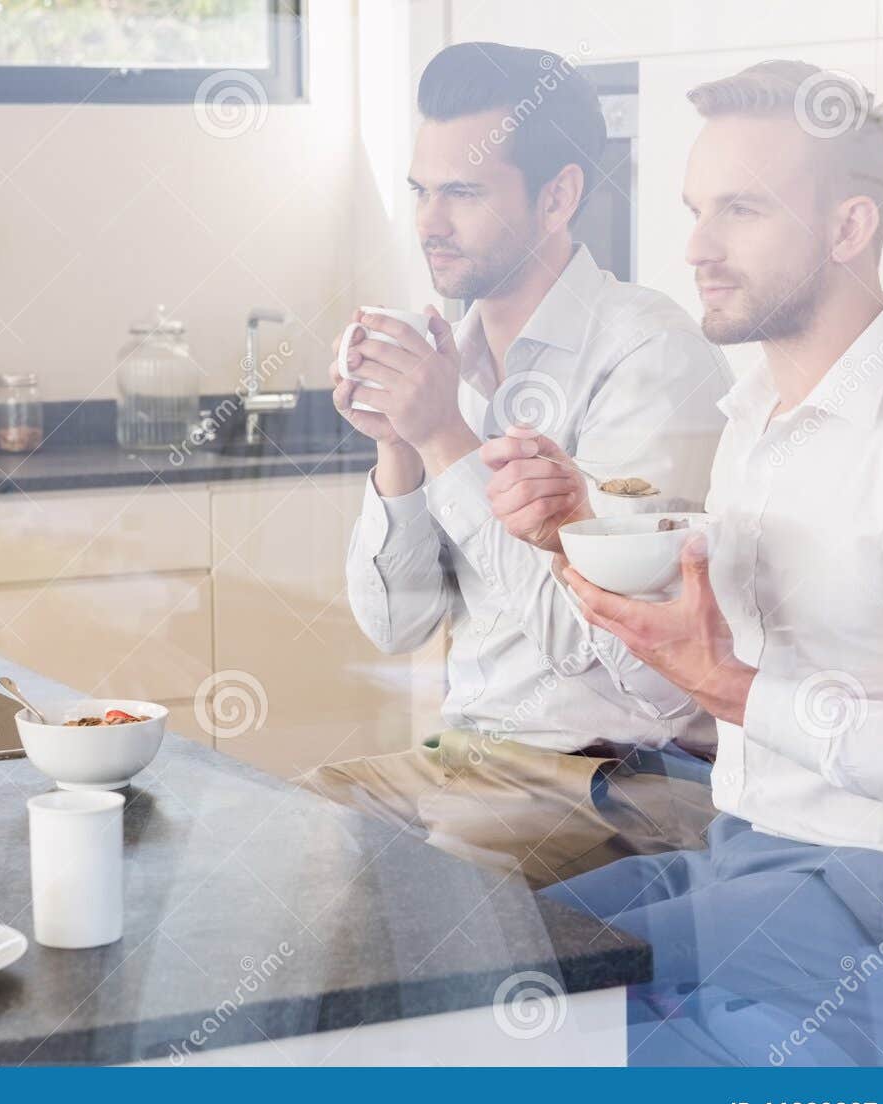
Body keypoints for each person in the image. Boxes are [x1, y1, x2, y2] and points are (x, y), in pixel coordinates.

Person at [483, 60, 883, 1063]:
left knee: (536, 1036)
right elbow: (687, 677)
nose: (698, 248)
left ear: (849, 228)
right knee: (465, 968)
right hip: (750, 855)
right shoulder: (754, 420)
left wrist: (735, 685)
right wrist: (576, 543)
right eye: (696, 209)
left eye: (742, 211)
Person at [301, 42, 732, 889]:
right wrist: (398, 445)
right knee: (268, 842)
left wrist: (441, 441)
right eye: (422, 190)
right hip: (467, 760)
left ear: (558, 196)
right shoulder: (451, 362)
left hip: (619, 782)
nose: (429, 222)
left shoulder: (650, 357)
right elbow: (397, 626)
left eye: (463, 192)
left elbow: (607, 646)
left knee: (418, 914)